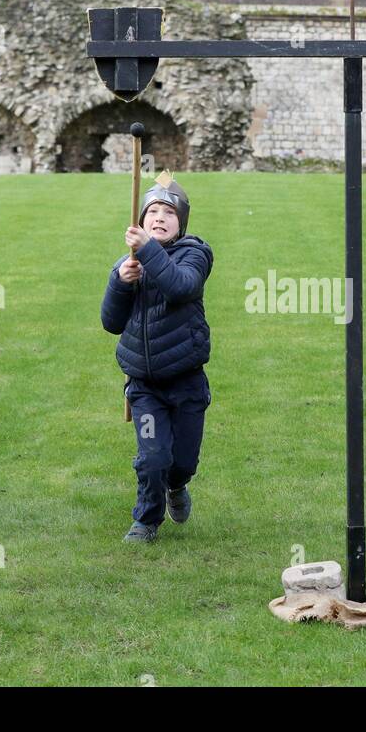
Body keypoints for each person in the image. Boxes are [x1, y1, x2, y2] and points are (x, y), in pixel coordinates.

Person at [101, 173, 213, 543]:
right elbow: (111, 323)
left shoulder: (195, 253)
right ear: (141, 219)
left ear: (181, 221)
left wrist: (148, 250)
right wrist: (120, 281)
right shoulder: (129, 262)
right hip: (145, 386)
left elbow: (182, 285)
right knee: (152, 459)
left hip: (186, 382)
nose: (160, 217)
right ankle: (146, 521)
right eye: (153, 211)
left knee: (182, 462)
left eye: (169, 211)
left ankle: (177, 487)